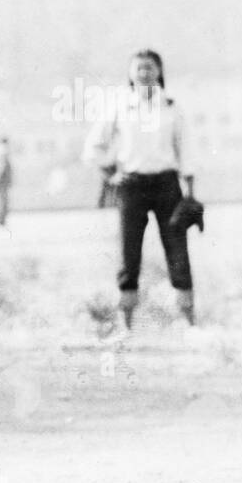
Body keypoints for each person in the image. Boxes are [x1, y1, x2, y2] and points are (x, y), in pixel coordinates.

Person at [82, 49, 196, 328]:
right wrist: (110, 175)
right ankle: (127, 322)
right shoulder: (119, 106)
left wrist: (190, 192)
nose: (144, 73)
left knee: (177, 250)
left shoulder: (171, 106)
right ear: (131, 73)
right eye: (139, 68)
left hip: (167, 184)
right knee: (128, 253)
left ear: (159, 71)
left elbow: (186, 150)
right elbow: (93, 147)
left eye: (150, 67)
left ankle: (190, 319)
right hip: (132, 185)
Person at [0, 136, 13, 227]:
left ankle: (1, 220)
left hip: (2, 182)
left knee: (1, 201)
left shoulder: (0, 152)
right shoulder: (3, 153)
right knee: (2, 202)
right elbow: (1, 169)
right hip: (1, 182)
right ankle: (1, 220)